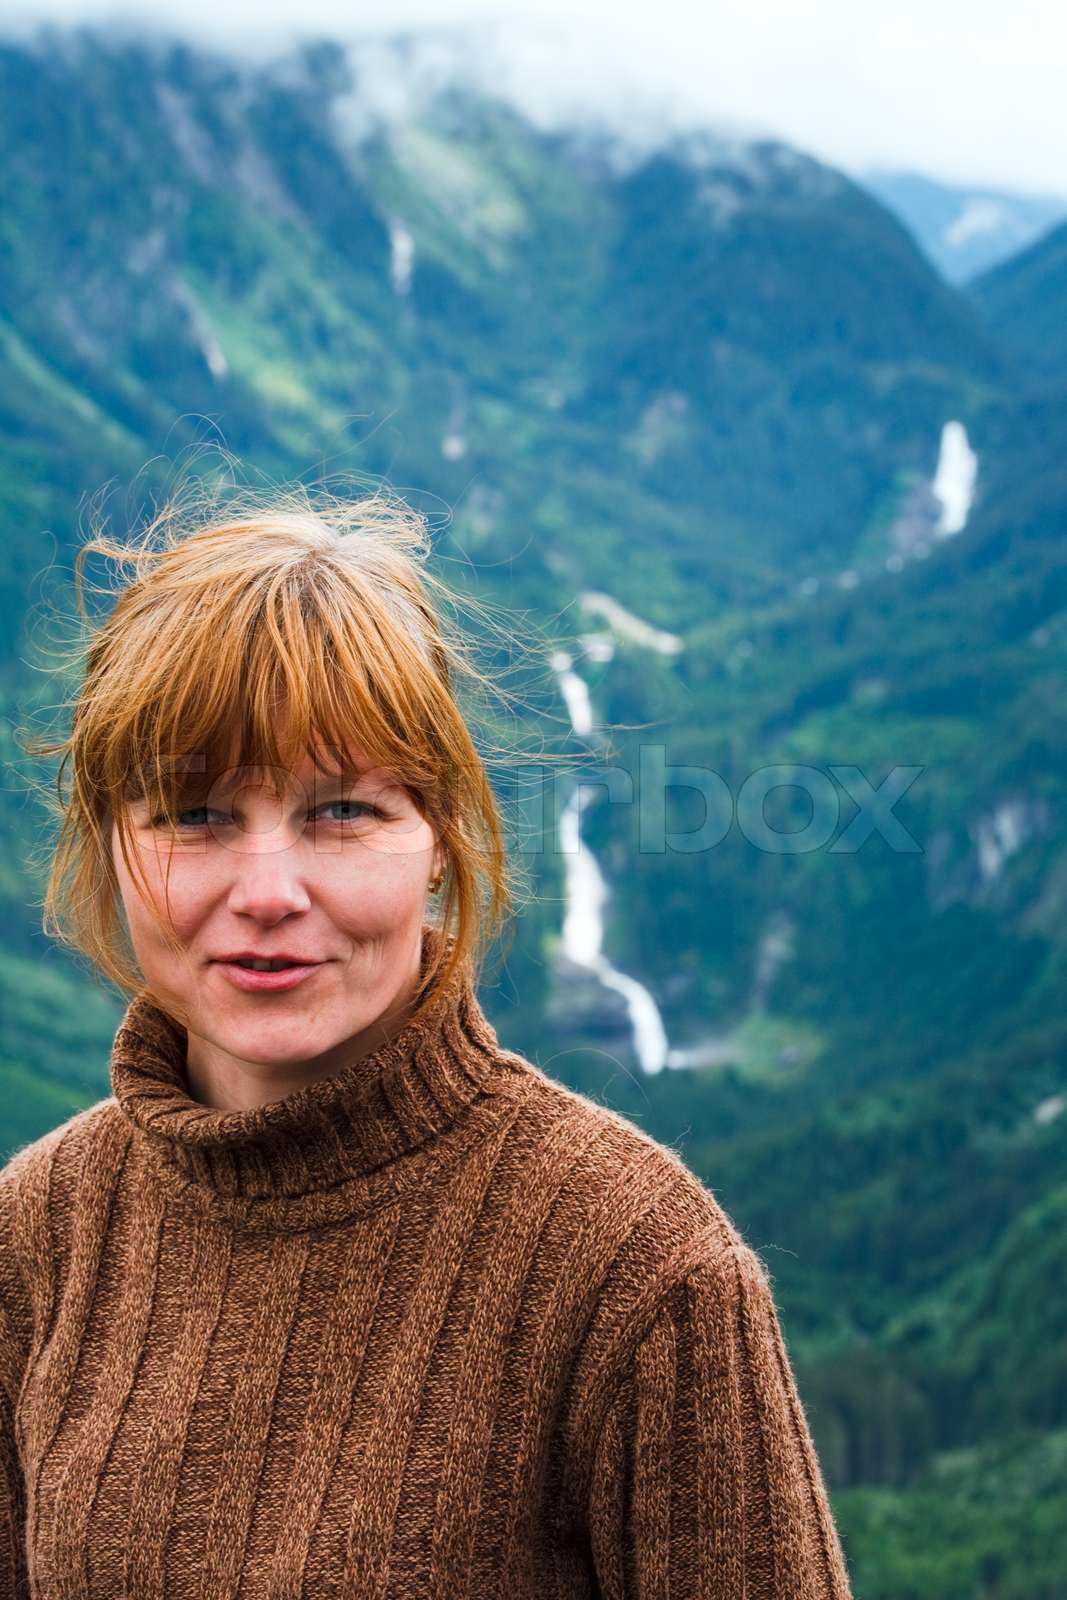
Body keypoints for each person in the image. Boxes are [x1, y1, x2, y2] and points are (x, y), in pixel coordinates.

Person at [0, 483, 854, 1597]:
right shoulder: (36, 1240)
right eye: (194, 814)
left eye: (339, 811)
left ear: (440, 838)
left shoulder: (640, 1272)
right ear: (112, 843)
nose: (267, 891)